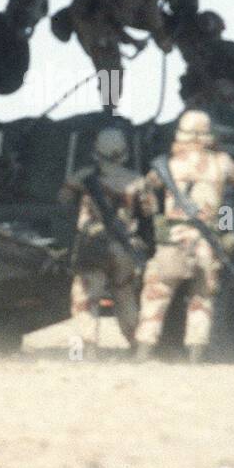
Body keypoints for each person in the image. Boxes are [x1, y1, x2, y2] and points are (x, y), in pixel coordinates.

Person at [134, 110, 234, 362]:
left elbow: (146, 190)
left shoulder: (169, 164)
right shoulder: (222, 162)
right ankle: (195, 357)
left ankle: (143, 354)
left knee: (156, 296)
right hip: (207, 241)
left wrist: (153, 212)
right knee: (201, 300)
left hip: (174, 240)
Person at [58, 127, 146, 354]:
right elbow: (150, 211)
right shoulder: (136, 180)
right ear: (125, 152)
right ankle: (138, 347)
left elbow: (63, 201)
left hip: (93, 245)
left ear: (96, 151)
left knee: (85, 300)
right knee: (125, 296)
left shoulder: (82, 177)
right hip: (123, 245)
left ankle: (82, 352)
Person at [50, 0, 183, 108]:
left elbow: (116, 23)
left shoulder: (86, 11)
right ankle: (109, 109)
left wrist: (153, 38)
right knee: (109, 64)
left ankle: (109, 109)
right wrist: (146, 40)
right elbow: (109, 26)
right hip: (118, 15)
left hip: (122, 12)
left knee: (109, 63)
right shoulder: (84, 16)